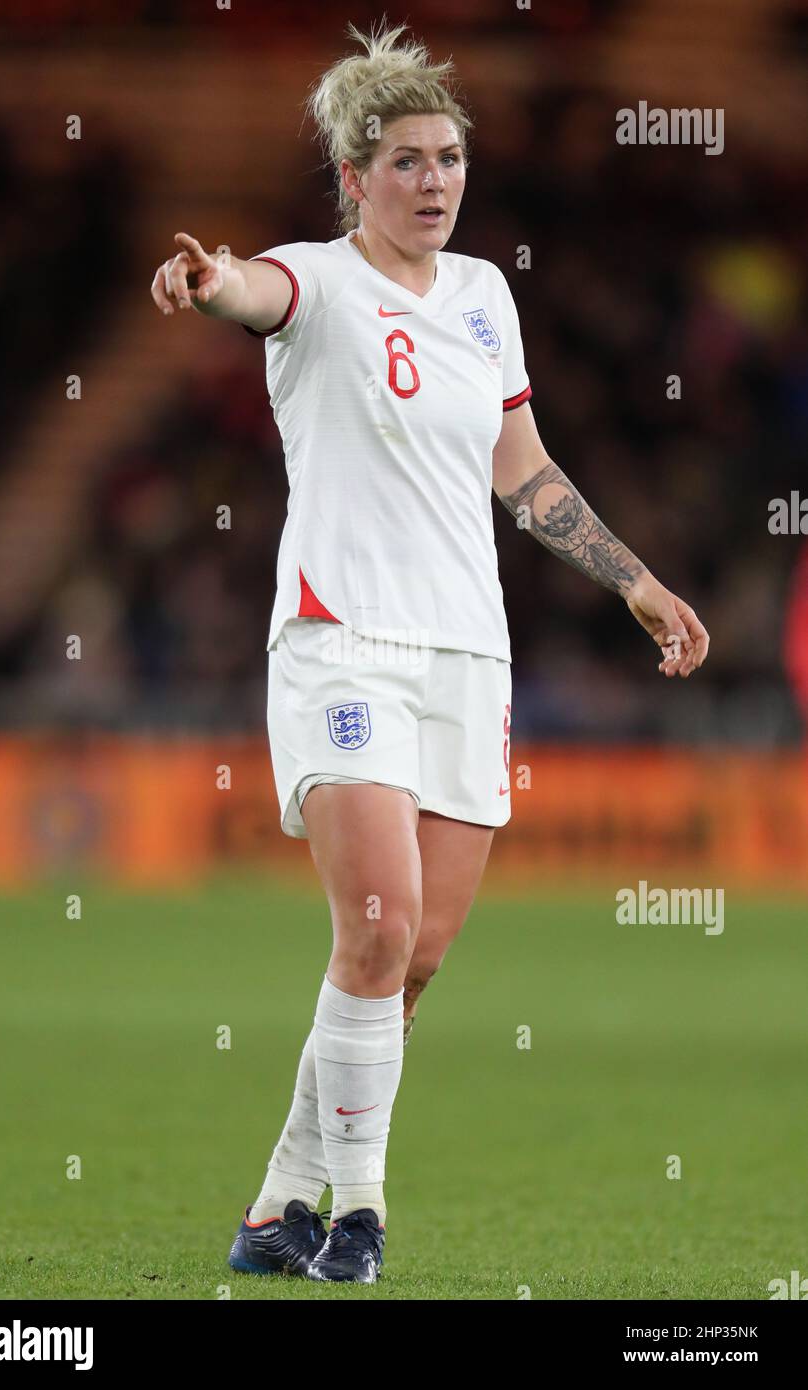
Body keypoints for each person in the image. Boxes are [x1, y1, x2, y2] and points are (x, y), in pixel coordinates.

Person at [150, 21, 709, 1285]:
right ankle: (358, 1215)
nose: (435, 182)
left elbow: (523, 470)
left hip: (467, 655)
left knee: (415, 958)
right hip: (344, 643)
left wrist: (634, 581)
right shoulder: (315, 280)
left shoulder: (481, 299)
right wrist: (204, 281)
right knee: (375, 922)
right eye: (405, 161)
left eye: (449, 158)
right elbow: (250, 287)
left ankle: (272, 1211)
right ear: (354, 177)